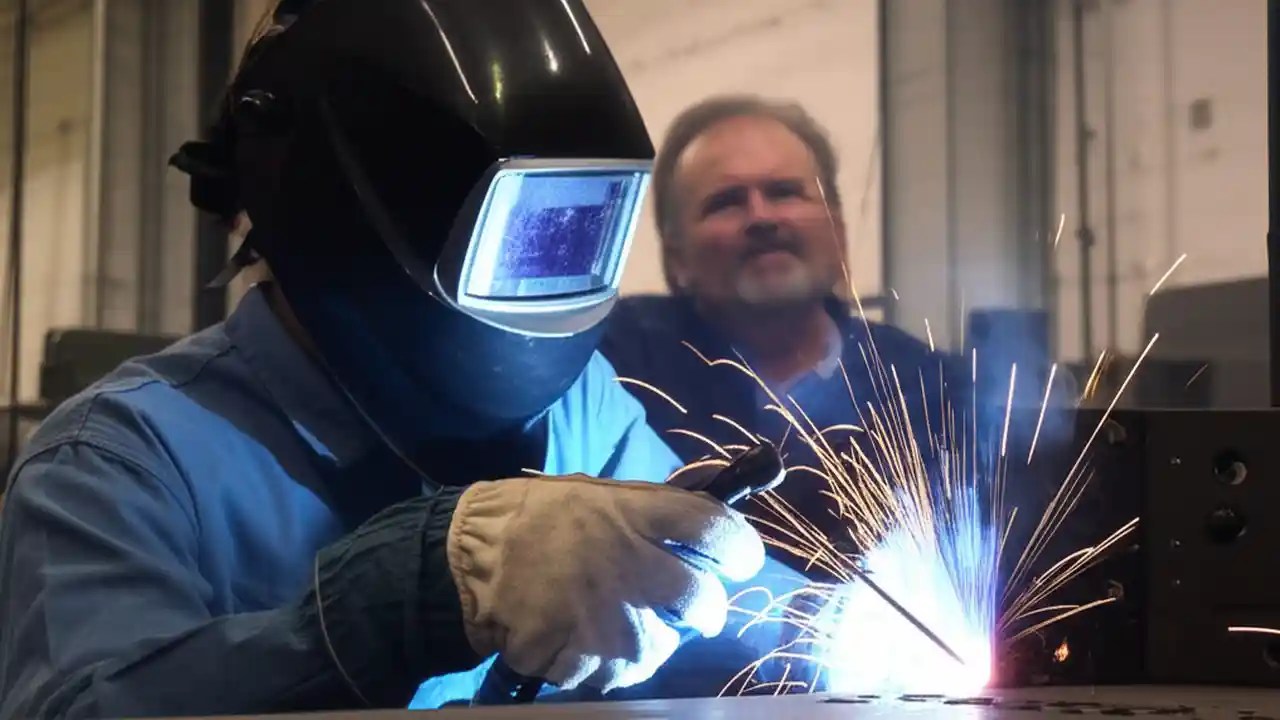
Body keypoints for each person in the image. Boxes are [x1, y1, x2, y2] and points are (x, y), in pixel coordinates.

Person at [0, 4, 793, 717]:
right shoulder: (119, 459)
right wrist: (406, 597)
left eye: (579, 232)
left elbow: (735, 606)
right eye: (524, 234)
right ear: (348, 213)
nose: (544, 282)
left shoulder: (580, 408)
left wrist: (817, 622)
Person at [600, 95, 1073, 568]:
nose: (762, 218)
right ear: (676, 259)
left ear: (839, 230)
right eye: (725, 203)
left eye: (785, 192)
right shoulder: (613, 369)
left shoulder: (931, 392)